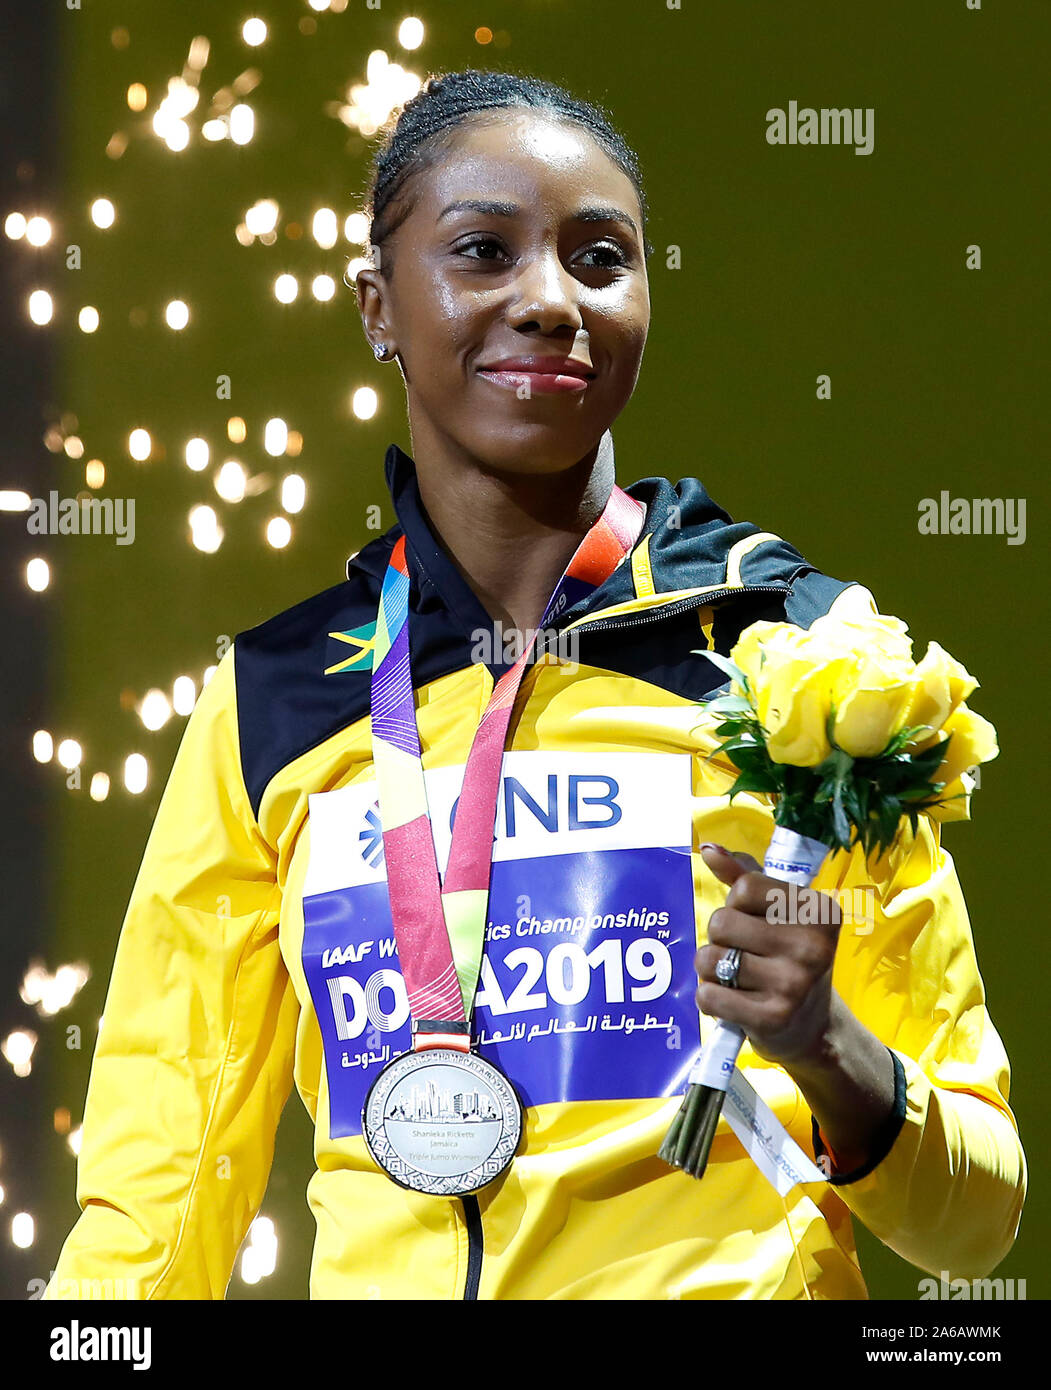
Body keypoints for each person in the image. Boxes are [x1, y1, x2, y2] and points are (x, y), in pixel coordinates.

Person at [46, 68, 1025, 1301]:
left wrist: (826, 1043)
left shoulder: (805, 660)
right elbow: (156, 1204)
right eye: (482, 250)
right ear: (378, 308)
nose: (550, 300)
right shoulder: (271, 701)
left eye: (600, 257)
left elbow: (976, 1221)